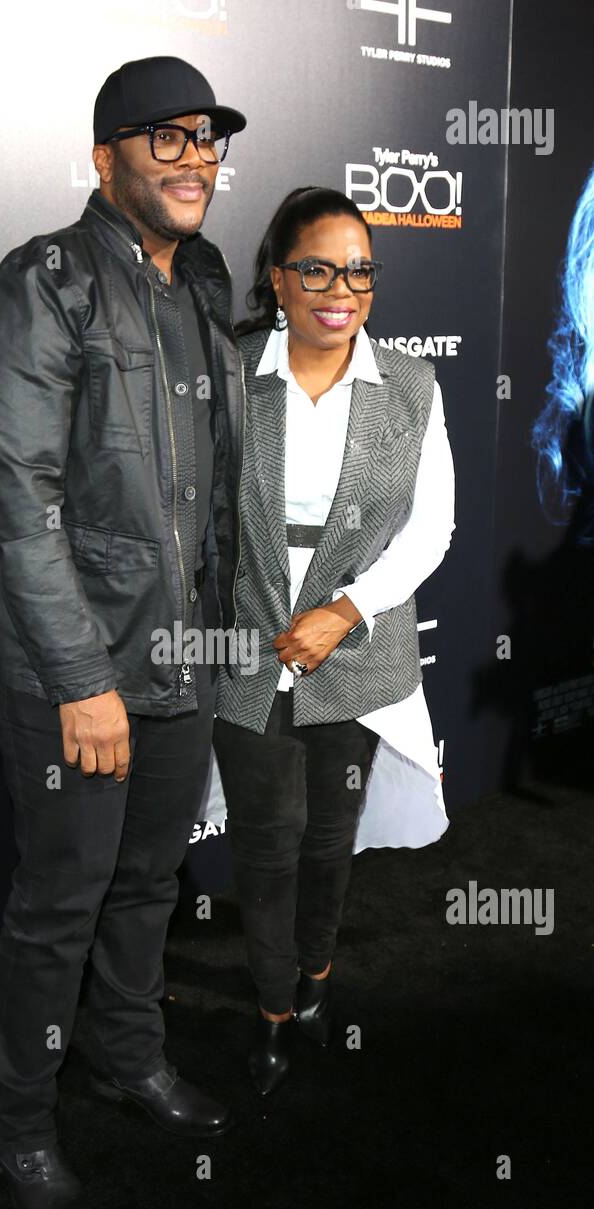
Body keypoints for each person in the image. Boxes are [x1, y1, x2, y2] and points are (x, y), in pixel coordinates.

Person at [0, 56, 246, 1209]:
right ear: (105, 156)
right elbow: (17, 504)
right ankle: (22, 1126)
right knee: (60, 905)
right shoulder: (46, 285)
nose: (195, 159)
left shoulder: (205, 284)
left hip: (183, 652)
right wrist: (84, 682)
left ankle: (126, 1059)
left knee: (146, 886)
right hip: (75, 672)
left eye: (208, 138)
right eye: (165, 138)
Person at [213, 186, 456, 1096]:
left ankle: (316, 983)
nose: (340, 288)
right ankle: (273, 1009)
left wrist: (344, 611)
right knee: (267, 843)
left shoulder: (414, 387)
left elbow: (431, 530)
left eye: (358, 270)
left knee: (327, 840)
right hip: (243, 648)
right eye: (317, 267)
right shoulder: (228, 374)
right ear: (278, 278)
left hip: (358, 650)